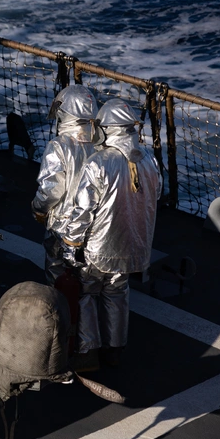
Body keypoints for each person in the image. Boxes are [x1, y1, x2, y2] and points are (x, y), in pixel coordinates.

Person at [59, 99, 162, 370]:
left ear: (108, 130)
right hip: (133, 248)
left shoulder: (98, 162)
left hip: (99, 249)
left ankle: (87, 351)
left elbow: (83, 211)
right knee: (118, 294)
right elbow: (156, 196)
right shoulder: (149, 161)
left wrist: (70, 244)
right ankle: (115, 350)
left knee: (86, 294)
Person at [31, 85, 98, 286]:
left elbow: (50, 191)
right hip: (95, 225)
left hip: (63, 226)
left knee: (57, 276)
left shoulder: (58, 146)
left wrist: (37, 209)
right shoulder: (103, 143)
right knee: (88, 284)